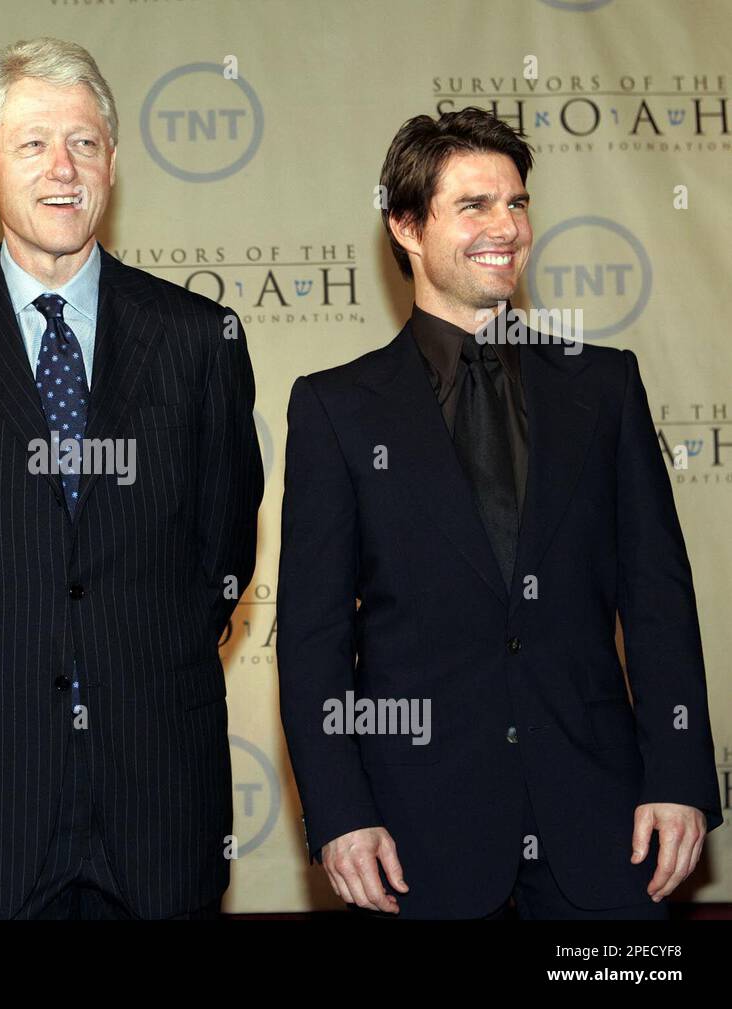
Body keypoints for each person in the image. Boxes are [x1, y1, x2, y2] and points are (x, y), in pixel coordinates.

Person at [0, 37, 263, 919]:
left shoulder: (199, 338)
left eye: (83, 142)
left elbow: (224, 537)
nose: (62, 167)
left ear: (112, 161)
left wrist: (143, 654)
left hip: (159, 790)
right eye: (32, 143)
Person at [277, 107, 722, 920]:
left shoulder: (603, 385)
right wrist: (340, 813)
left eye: (516, 203)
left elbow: (658, 601)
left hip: (604, 822)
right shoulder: (338, 409)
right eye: (475, 206)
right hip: (416, 831)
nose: (506, 227)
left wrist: (682, 780)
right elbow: (311, 639)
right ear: (407, 225)